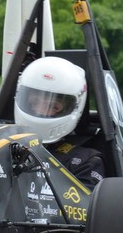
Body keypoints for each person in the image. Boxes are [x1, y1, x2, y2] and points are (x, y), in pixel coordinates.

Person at [14, 57, 105, 189]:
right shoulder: (2, 145)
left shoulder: (85, 161)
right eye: (34, 102)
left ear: (74, 107)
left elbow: (84, 207)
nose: (41, 110)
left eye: (53, 106)